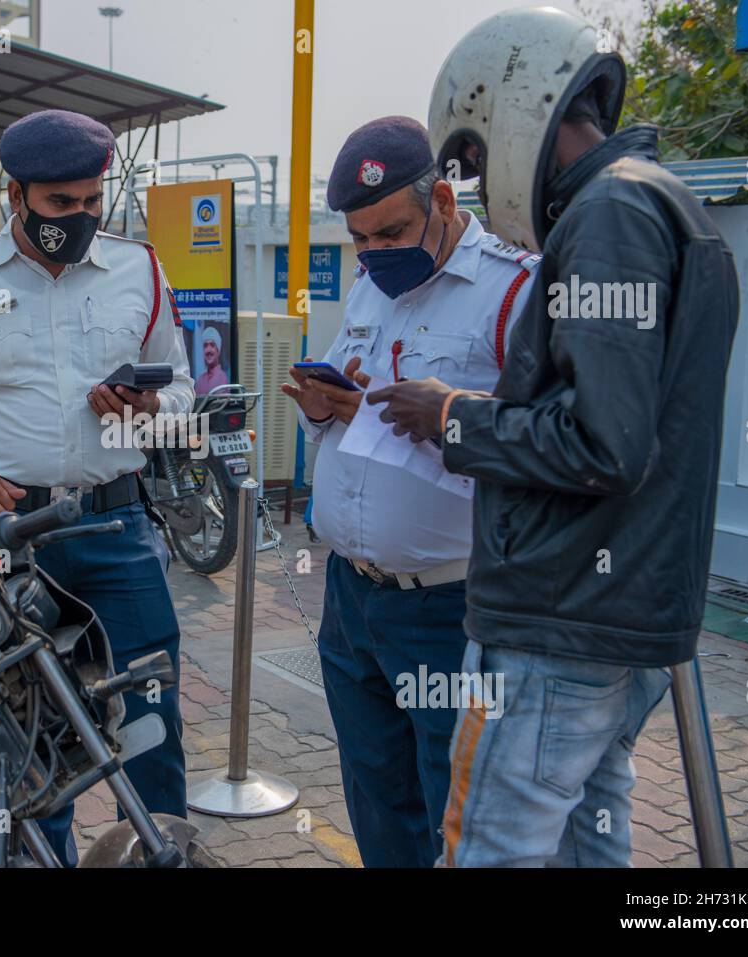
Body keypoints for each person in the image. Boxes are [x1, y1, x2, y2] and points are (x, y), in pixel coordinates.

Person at [369, 7, 740, 866]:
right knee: (590, 842)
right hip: (620, 616)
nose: (475, 178)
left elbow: (604, 442)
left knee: (490, 848)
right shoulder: (666, 204)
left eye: (468, 153)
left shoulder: (610, 216)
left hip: (560, 618)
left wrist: (452, 414)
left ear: (507, 105)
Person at [0, 109, 194, 866]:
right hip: (8, 537)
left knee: (151, 710)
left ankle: (157, 850)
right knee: (21, 726)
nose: (82, 218)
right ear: (14, 191)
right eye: (62, 204)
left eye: (93, 201)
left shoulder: (140, 270)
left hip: (115, 530)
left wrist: (151, 412)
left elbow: (185, 389)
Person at [279, 116, 539, 867]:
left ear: (447, 202)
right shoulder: (368, 290)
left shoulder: (514, 293)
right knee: (377, 799)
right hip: (352, 599)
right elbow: (349, 400)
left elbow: (539, 444)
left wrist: (438, 419)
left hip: (448, 607)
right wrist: (326, 408)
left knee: (452, 810)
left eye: (391, 232)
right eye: (360, 239)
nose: (373, 255)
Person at [194, 325, 229, 394]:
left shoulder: (223, 379)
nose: (208, 350)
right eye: (205, 346)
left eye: (212, 345)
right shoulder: (200, 380)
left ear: (218, 351)